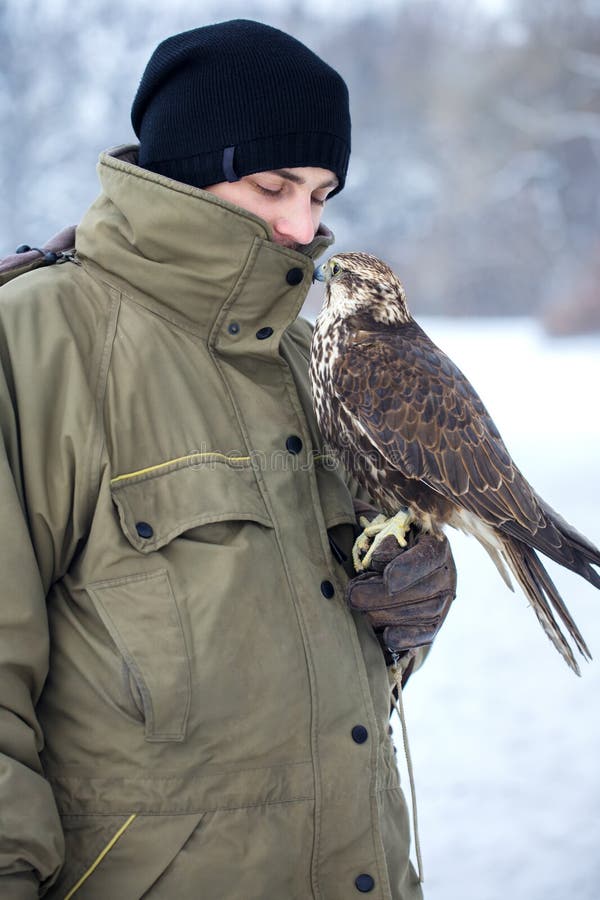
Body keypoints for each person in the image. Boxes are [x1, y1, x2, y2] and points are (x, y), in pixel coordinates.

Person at [0, 19, 456, 900]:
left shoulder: (310, 358)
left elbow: (297, 656)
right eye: (273, 184)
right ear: (182, 173)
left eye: (322, 194)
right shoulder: (37, 342)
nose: (302, 226)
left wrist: (407, 611)